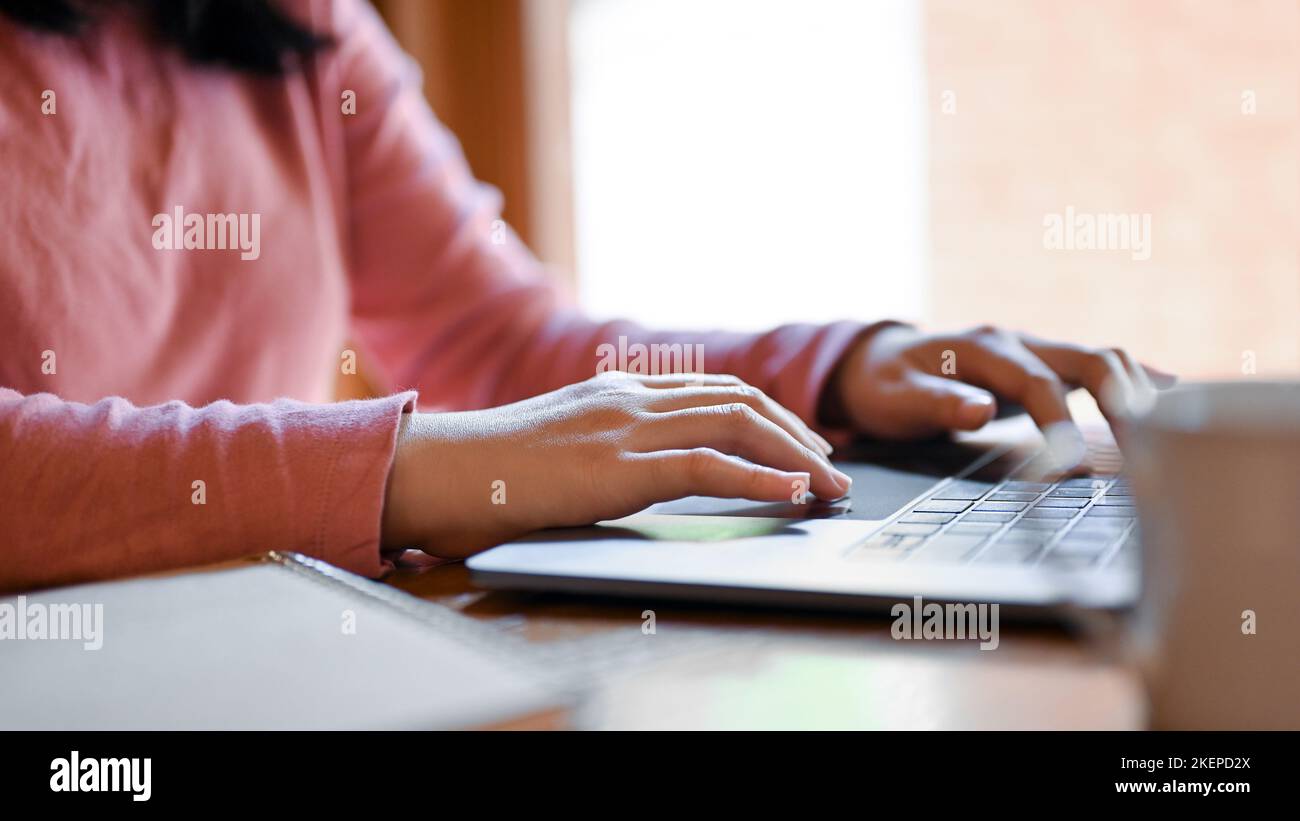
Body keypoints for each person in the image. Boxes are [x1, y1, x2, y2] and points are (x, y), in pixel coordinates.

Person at [0, 0, 1168, 592]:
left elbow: (496, 339)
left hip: (261, 649)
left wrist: (840, 364)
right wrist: (420, 472)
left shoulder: (299, 30)